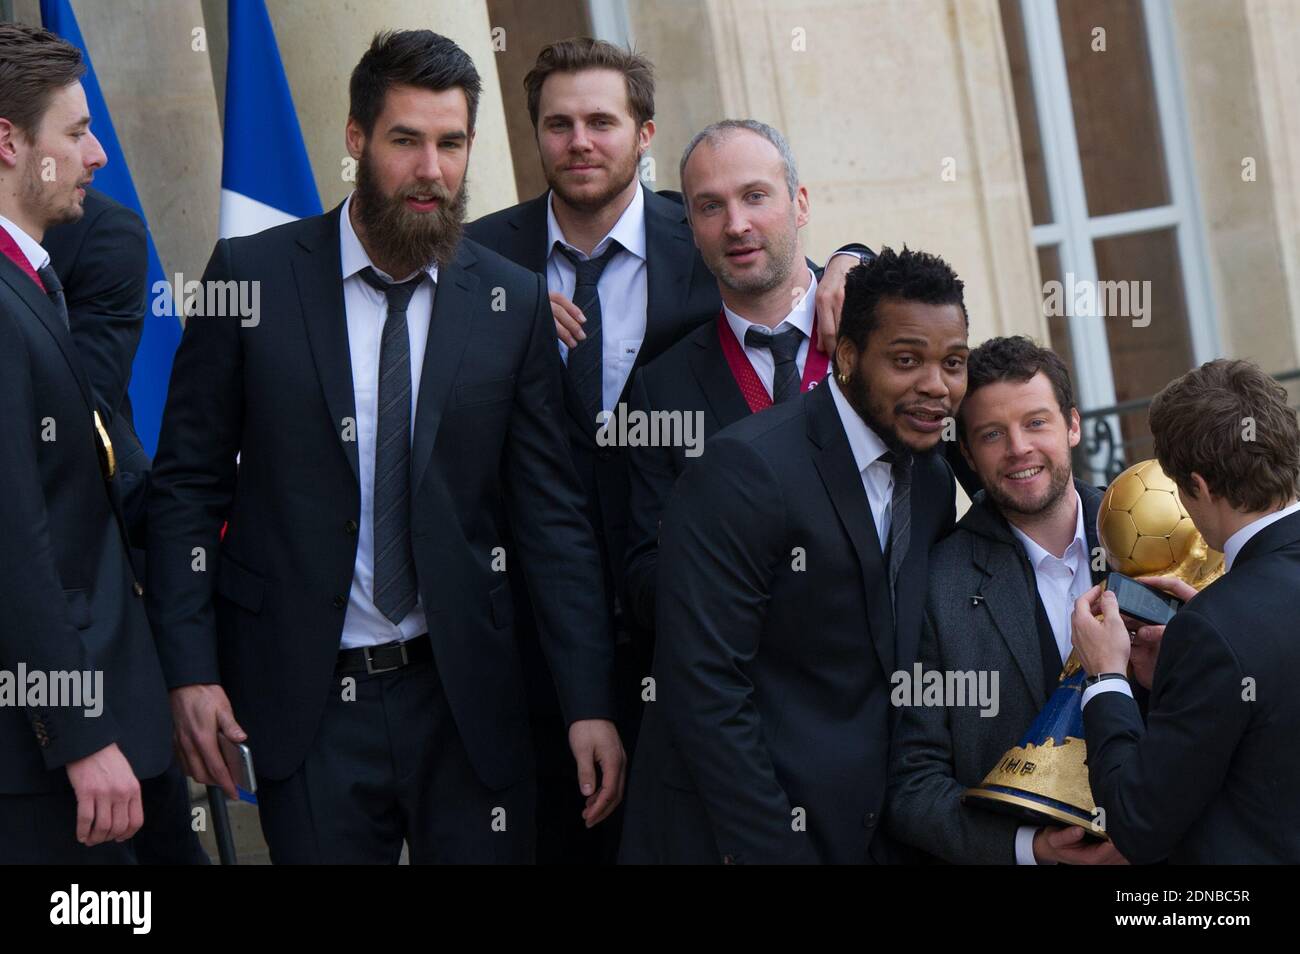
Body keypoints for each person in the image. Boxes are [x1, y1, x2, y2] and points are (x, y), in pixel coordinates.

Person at [146, 29, 622, 864]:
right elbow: (187, 488)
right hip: (304, 707)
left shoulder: (508, 303)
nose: (432, 170)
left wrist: (589, 700)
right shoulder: (250, 278)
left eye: (451, 143)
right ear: (358, 140)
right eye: (406, 140)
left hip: (468, 703)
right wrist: (190, 671)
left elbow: (553, 522)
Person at [465, 36, 869, 862]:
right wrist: (500, 323)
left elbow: (783, 270)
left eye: (602, 121)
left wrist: (860, 263)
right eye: (558, 123)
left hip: (711, 649)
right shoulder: (477, 266)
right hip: (543, 643)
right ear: (534, 132)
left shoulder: (703, 229)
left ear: (643, 134)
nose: (580, 141)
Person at [620, 246, 968, 863]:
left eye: (954, 363)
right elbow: (704, 688)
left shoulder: (935, 479)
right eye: (907, 360)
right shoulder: (747, 468)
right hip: (737, 838)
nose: (936, 385)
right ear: (849, 357)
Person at [0, 22, 172, 863]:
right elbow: (15, 539)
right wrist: (77, 732)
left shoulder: (30, 279)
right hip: (49, 764)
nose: (97, 154)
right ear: (9, 142)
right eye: (74, 132)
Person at [623, 119, 869, 632]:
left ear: (800, 203)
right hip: (758, 693)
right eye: (711, 206)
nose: (736, 224)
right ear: (690, 228)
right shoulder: (659, 391)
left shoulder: (879, 332)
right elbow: (643, 574)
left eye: (755, 196)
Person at [887, 335, 1124, 864]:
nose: (1018, 448)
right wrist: (1031, 849)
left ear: (1073, 425)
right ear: (967, 452)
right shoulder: (932, 586)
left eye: (1036, 422)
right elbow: (912, 782)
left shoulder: (1161, 539)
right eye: (993, 434)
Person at [1072, 358, 1300, 863]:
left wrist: (1106, 677)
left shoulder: (1214, 630)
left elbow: (1137, 822)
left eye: (1178, 486)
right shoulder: (1212, 630)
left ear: (1197, 485)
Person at [45, 186, 208, 864]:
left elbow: (53, 427)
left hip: (87, 601)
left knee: (138, 851)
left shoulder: (98, 232)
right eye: (76, 133)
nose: (94, 156)